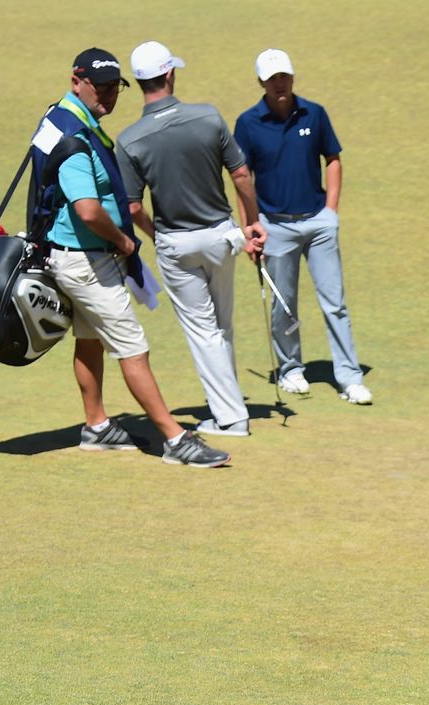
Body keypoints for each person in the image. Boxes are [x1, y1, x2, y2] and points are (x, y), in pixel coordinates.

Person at [36, 48, 229, 469]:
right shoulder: (74, 138)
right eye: (100, 87)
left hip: (73, 255)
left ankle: (97, 426)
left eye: (115, 87)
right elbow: (88, 210)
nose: (109, 95)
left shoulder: (62, 118)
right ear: (77, 81)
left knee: (90, 339)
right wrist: (123, 242)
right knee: (132, 348)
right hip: (87, 262)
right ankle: (175, 439)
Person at [115, 41, 267, 438]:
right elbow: (240, 175)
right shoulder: (208, 116)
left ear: (140, 82)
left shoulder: (129, 140)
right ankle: (228, 408)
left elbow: (132, 208)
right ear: (169, 74)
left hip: (177, 243)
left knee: (204, 330)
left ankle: (230, 418)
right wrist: (253, 223)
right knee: (221, 326)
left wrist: (156, 234)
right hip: (222, 236)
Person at [233, 49, 371, 405]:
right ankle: (291, 368)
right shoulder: (248, 123)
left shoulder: (315, 113)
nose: (279, 83)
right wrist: (249, 228)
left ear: (292, 77)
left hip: (318, 223)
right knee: (284, 305)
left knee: (335, 303)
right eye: (272, 78)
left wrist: (331, 211)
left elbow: (333, 159)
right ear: (261, 82)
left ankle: (349, 377)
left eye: (284, 76)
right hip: (275, 227)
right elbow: (242, 178)